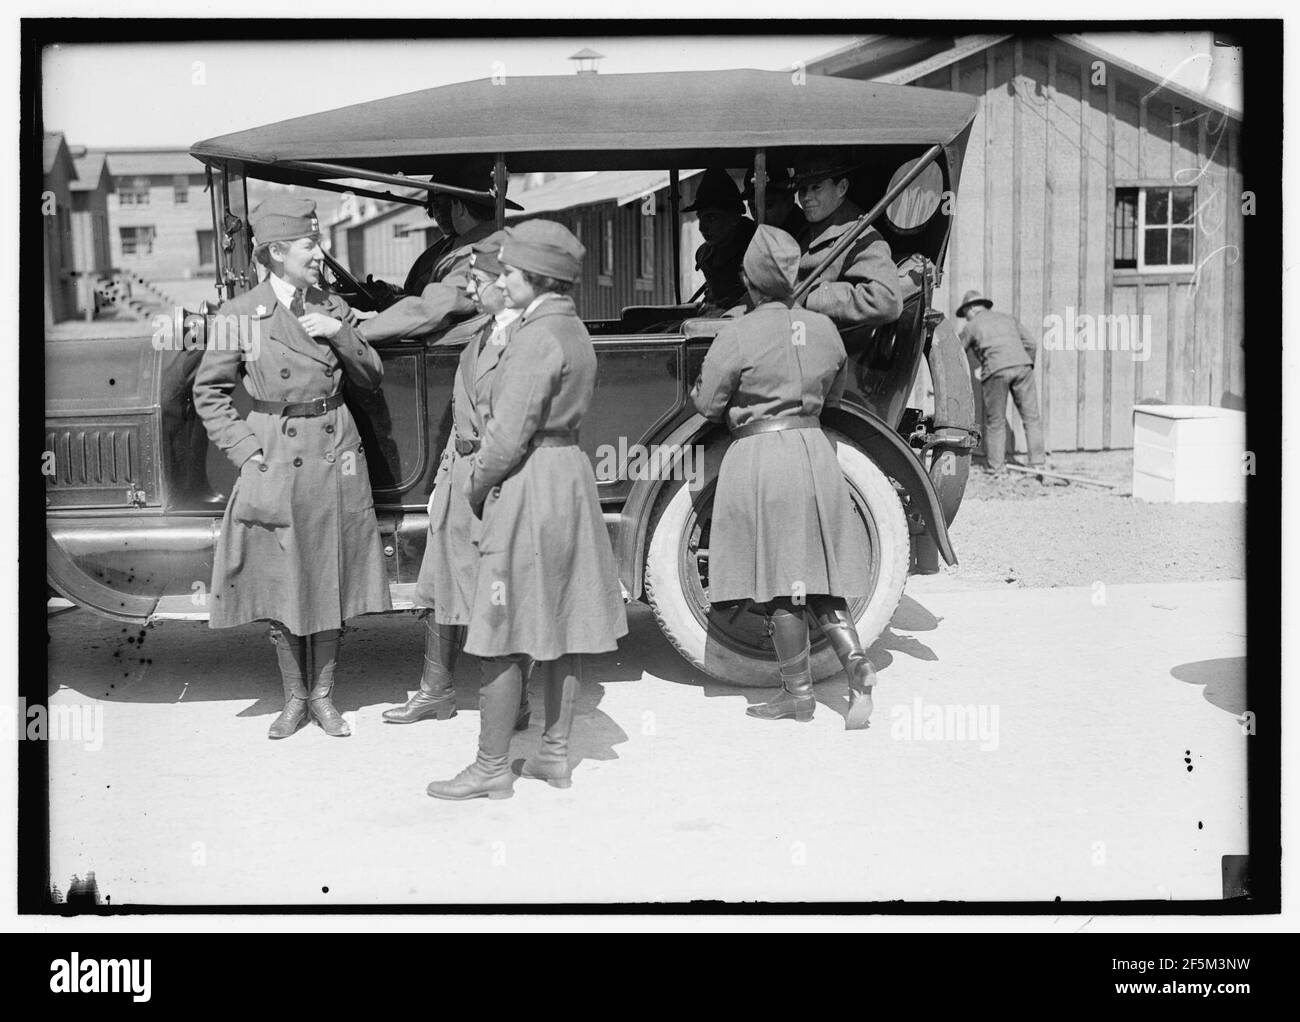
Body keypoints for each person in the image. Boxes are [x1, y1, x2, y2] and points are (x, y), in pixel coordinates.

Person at [427, 219, 628, 800]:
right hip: (568, 480)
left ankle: (492, 768)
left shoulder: (533, 339)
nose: (501, 278)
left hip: (527, 483)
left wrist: (474, 489)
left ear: (537, 277)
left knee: (500, 624)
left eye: (510, 271)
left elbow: (504, 438)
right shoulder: (572, 330)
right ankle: (556, 755)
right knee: (561, 622)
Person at [194, 196, 391, 739]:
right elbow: (209, 392)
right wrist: (245, 451)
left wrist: (339, 331)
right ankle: (294, 698)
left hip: (334, 452)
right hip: (275, 452)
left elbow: (371, 377)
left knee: (330, 573)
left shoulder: (332, 304)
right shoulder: (240, 314)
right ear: (276, 252)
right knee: (282, 576)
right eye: (309, 244)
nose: (319, 252)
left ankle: (325, 697)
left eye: (317, 240)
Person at [690, 224, 876, 730]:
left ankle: (798, 697)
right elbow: (837, 398)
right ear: (794, 278)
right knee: (817, 575)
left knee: (775, 583)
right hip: (813, 452)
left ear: (749, 280)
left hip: (759, 459)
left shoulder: (738, 332)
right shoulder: (823, 329)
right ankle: (856, 664)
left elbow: (707, 404)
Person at [382, 232, 531, 730]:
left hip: (495, 482)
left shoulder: (526, 341)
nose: (469, 285)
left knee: (497, 592)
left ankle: (516, 704)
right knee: (444, 578)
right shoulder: (485, 331)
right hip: (461, 472)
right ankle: (435, 692)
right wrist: (449, 479)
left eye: (478, 278)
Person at [357, 158, 523, 344]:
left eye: (441, 205)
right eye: (433, 207)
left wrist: (354, 333)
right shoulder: (457, 246)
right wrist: (384, 296)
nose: (436, 214)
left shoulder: (484, 252)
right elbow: (421, 295)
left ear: (458, 208)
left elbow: (433, 309)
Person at [791, 149, 903, 330]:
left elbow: (887, 300)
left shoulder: (861, 238)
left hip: (837, 346)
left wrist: (812, 296)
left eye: (816, 187)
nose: (806, 197)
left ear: (842, 188)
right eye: (802, 189)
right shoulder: (806, 232)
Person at [955, 289, 1046, 476]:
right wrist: (1025, 363)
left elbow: (957, 354)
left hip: (995, 370)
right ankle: (1038, 464)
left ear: (971, 308)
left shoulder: (972, 326)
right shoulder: (1007, 318)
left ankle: (997, 469)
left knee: (995, 422)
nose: (966, 318)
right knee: (1032, 418)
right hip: (1023, 366)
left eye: (965, 314)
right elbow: (1031, 343)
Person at [684, 167, 757, 311]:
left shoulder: (755, 249)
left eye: (711, 218)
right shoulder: (705, 254)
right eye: (700, 218)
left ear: (734, 218)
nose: (702, 228)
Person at [743, 164, 807, 239]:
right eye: (753, 207)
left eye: (768, 206)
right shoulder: (749, 235)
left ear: (789, 203)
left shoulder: (808, 234)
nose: (759, 215)